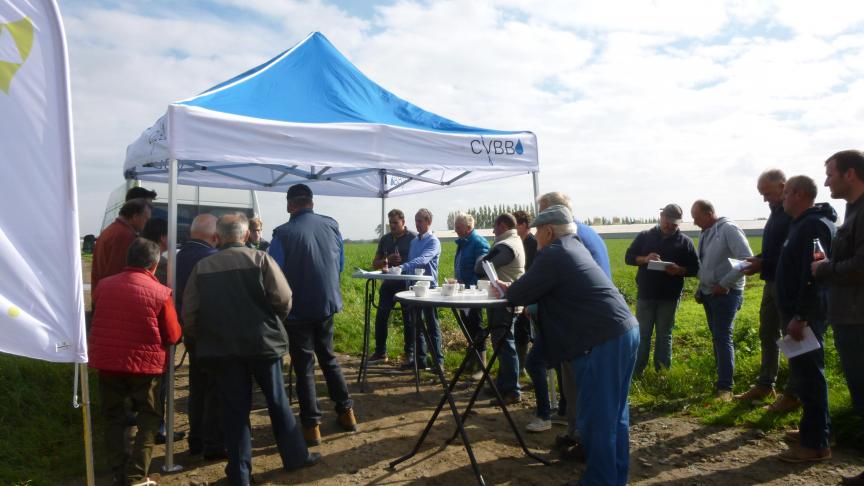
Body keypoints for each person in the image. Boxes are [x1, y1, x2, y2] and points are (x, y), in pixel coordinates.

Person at [498, 204, 639, 486]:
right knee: (615, 416)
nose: (535, 236)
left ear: (549, 232)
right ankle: (615, 478)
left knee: (597, 419)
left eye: (538, 231)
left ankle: (600, 481)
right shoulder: (574, 246)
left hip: (602, 339)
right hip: (622, 330)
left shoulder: (554, 253)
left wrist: (507, 289)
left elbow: (519, 294)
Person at [183, 213, 320, 485]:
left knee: (234, 411)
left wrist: (204, 337)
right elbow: (284, 299)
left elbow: (190, 313)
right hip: (263, 344)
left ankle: (239, 473)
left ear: (217, 237)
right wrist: (271, 322)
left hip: (223, 349)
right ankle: (295, 456)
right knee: (277, 401)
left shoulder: (202, 267)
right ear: (246, 235)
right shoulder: (261, 260)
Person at [88, 238, 182, 486]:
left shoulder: (104, 286)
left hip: (108, 361)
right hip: (145, 366)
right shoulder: (160, 292)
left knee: (113, 417)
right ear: (154, 265)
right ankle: (136, 475)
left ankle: (118, 470)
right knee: (149, 418)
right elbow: (173, 335)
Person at [268, 184, 356, 446]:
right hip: (326, 304)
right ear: (312, 203)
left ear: (289, 205)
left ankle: (311, 426)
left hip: (297, 310)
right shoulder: (331, 225)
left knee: (304, 365)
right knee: (328, 358)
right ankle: (346, 413)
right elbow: (339, 265)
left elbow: (274, 275)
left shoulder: (282, 233)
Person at [536, 192, 612, 452]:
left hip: (583, 323)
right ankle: (577, 434)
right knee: (577, 383)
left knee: (579, 384)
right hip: (593, 320)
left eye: (541, 214)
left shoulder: (568, 239)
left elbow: (557, 280)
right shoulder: (585, 232)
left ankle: (582, 439)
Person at [811, 150, 864, 485]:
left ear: (850, 174)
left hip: (858, 318)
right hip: (850, 315)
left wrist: (825, 268)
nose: (826, 181)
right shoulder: (854, 210)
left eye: (831, 174)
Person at [774, 175, 836, 463]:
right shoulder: (801, 224)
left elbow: (814, 275)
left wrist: (801, 316)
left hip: (805, 316)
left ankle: (815, 445)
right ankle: (817, 431)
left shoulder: (813, 226)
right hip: (799, 313)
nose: (782, 198)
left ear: (799, 194)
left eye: (786, 193)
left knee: (810, 378)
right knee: (805, 376)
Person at [738, 170, 800, 412]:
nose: (765, 199)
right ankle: (766, 384)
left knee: (790, 337)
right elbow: (775, 251)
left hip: (787, 285)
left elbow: (791, 255)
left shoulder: (793, 214)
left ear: (783, 186)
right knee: (767, 333)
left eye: (767, 193)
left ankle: (794, 392)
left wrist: (764, 263)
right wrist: (758, 259)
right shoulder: (775, 213)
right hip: (770, 282)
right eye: (761, 194)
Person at [625, 203, 699, 375]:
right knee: (642, 334)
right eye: (667, 221)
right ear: (661, 217)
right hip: (646, 294)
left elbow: (695, 268)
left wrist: (679, 270)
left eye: (674, 223)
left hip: (670, 297)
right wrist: (645, 259)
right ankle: (636, 372)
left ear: (679, 223)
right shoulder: (644, 236)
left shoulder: (685, 242)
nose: (669, 225)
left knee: (664, 335)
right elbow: (628, 257)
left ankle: (662, 373)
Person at [691, 199, 753, 401]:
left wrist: (725, 283)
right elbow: (706, 263)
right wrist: (701, 287)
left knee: (723, 337)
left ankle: (725, 388)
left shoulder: (729, 229)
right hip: (709, 294)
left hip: (727, 294)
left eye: (697, 217)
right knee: (717, 337)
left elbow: (747, 260)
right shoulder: (705, 232)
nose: (694, 222)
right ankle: (721, 382)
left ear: (709, 214)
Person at [175, 214, 222, 458]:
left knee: (197, 387)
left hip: (190, 330)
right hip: (210, 332)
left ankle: (196, 439)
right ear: (214, 236)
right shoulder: (212, 258)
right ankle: (210, 440)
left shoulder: (178, 256)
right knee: (213, 388)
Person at [476, 213, 524, 405]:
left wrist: (482, 258)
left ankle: (511, 390)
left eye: (495, 226)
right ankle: (503, 385)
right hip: (505, 299)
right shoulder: (512, 242)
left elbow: (481, 267)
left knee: (504, 344)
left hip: (504, 301)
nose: (493, 230)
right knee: (501, 343)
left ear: (502, 226)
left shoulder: (506, 246)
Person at [397, 208, 444, 370]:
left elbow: (423, 259)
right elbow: (412, 263)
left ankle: (438, 362)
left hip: (428, 288)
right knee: (416, 325)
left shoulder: (433, 241)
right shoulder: (414, 241)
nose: (417, 224)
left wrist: (402, 267)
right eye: (416, 221)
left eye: (420, 221)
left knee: (431, 325)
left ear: (428, 222)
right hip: (413, 288)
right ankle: (420, 360)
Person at [368, 209, 416, 363]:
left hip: (406, 284)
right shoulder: (385, 239)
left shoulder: (413, 238)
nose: (393, 226)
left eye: (395, 222)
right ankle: (380, 352)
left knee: (409, 319)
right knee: (381, 317)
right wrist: (386, 260)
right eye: (390, 223)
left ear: (403, 222)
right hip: (388, 285)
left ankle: (410, 354)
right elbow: (375, 264)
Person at [453, 212, 489, 379]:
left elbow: (482, 269)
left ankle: (482, 366)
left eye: (458, 227)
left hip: (473, 293)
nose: (455, 230)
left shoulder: (479, 242)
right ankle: (472, 361)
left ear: (468, 227)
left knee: (476, 327)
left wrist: (471, 288)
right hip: (463, 291)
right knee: (468, 326)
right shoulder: (463, 242)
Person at [92, 198, 151, 291]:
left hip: (102, 291)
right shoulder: (125, 236)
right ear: (135, 216)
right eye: (146, 219)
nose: (147, 223)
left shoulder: (110, 230)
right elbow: (120, 271)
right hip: (113, 293)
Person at [512, 210, 536, 377]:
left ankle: (524, 365)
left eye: (516, 225)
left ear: (524, 225)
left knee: (526, 330)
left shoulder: (532, 243)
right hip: (520, 291)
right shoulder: (518, 242)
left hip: (530, 293)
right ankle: (521, 366)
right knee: (520, 330)